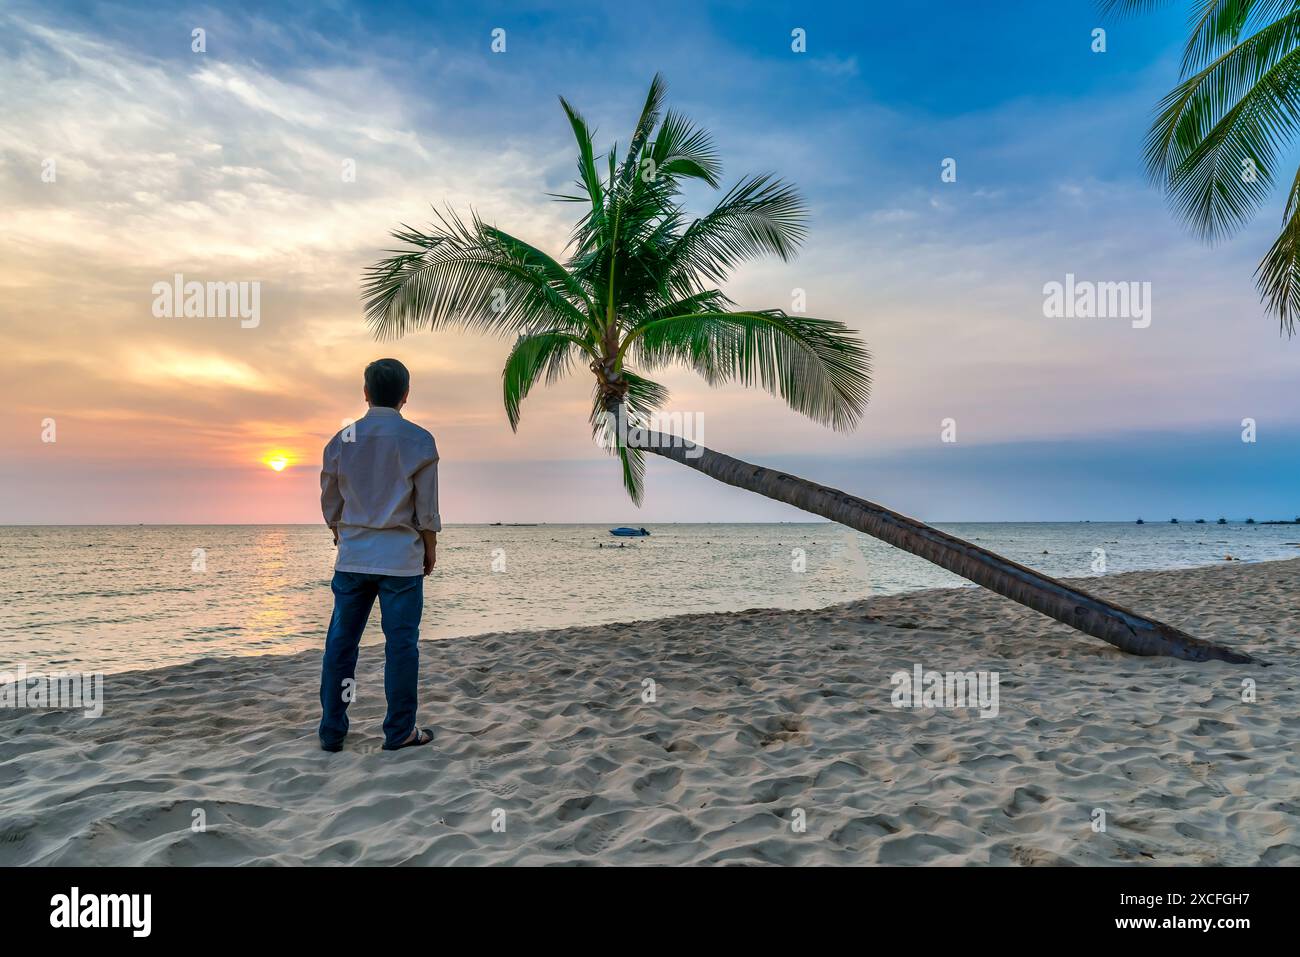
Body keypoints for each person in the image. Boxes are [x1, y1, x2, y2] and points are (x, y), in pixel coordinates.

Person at [317, 358, 440, 752]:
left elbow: (330, 501)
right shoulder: (419, 440)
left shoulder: (342, 440)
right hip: (401, 559)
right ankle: (399, 730)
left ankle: (333, 731)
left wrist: (341, 534)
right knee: (401, 646)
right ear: (406, 395)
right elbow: (427, 508)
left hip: (354, 557)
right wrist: (430, 548)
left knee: (341, 644)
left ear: (365, 393)